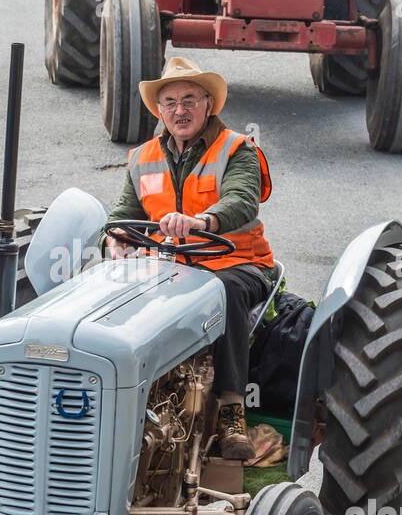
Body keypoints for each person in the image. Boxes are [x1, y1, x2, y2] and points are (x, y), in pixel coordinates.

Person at [101, 56, 277, 459]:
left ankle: (232, 410)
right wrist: (112, 240)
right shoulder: (141, 157)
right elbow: (120, 217)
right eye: (170, 102)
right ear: (159, 110)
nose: (179, 111)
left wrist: (202, 221)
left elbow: (242, 201)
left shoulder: (238, 149)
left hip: (235, 265)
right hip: (165, 268)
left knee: (224, 291)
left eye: (189, 100)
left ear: (208, 105)